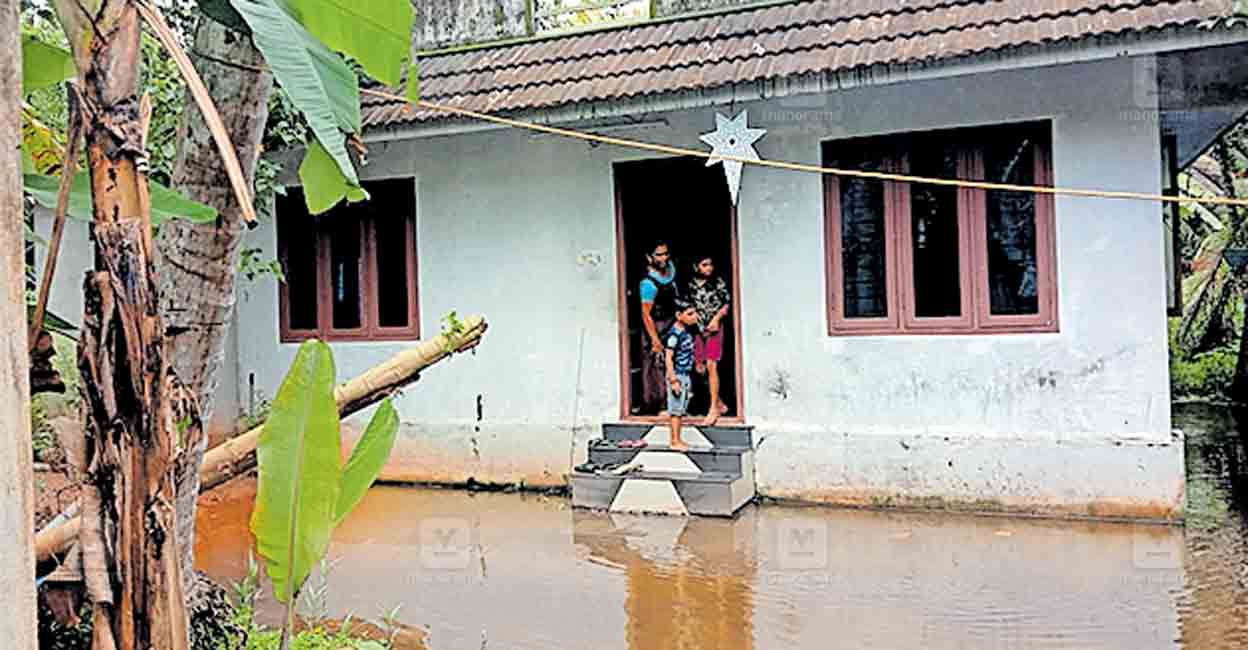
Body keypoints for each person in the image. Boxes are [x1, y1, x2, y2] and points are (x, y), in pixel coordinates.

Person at [686, 255, 731, 425]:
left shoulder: (717, 282)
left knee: (712, 365)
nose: (709, 268)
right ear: (695, 266)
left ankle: (713, 408)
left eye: (710, 264)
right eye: (704, 265)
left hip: (714, 329)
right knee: (700, 368)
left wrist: (716, 319)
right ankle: (718, 401)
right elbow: (686, 305)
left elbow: (726, 304)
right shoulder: (690, 285)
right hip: (697, 330)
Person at [638, 240, 679, 415]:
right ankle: (657, 404)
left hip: (671, 322)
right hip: (656, 325)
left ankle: (674, 402)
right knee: (655, 365)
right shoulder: (648, 283)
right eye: (659, 255)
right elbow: (646, 314)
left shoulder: (670, 270)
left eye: (666, 253)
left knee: (673, 363)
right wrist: (654, 339)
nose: (664, 258)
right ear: (649, 257)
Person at [665, 302, 699, 451]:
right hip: (677, 375)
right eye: (690, 314)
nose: (694, 317)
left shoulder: (686, 331)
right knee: (675, 410)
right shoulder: (674, 334)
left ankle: (678, 439)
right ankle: (674, 440)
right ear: (679, 316)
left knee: (681, 408)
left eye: (694, 313)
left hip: (685, 374)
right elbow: (668, 357)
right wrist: (673, 380)